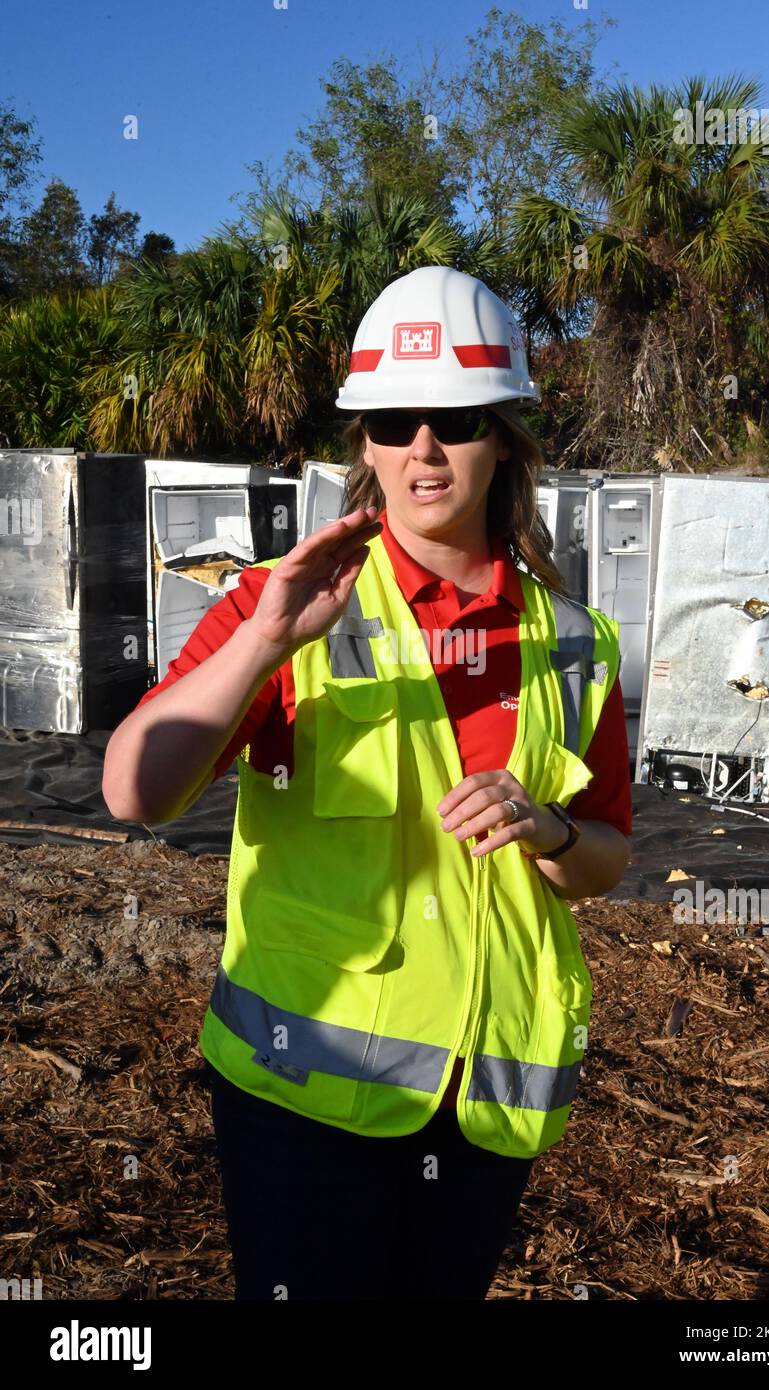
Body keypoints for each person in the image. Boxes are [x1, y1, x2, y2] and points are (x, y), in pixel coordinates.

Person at [102, 265, 633, 1301]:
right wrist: (262, 642)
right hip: (304, 1107)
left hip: (486, 1108)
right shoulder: (280, 602)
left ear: (504, 438)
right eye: (394, 420)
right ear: (366, 443)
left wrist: (553, 834)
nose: (423, 448)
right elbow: (133, 789)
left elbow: (608, 853)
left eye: (455, 419)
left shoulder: (575, 642)